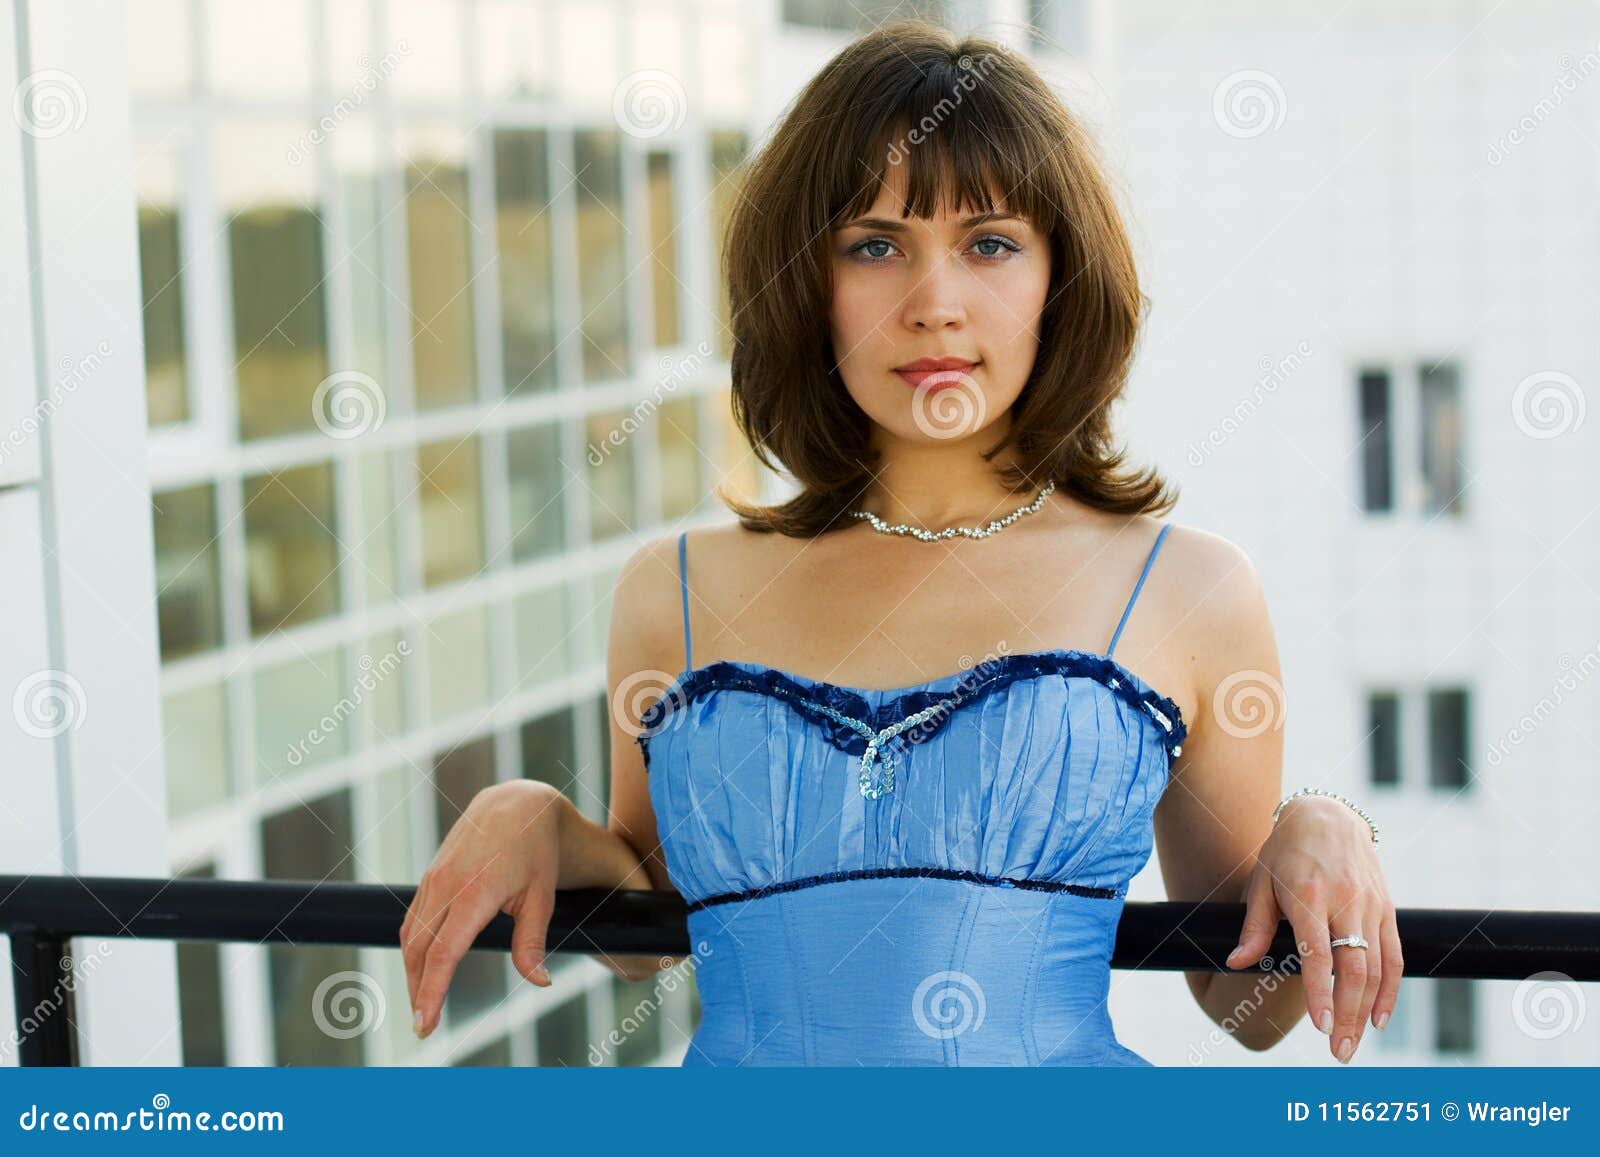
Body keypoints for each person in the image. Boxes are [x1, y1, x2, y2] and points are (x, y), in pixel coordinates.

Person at [401, 20, 1399, 1066]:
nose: (933, 304)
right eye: (874, 244)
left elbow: (1250, 1008)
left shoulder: (1187, 586)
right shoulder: (675, 588)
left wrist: (1323, 823)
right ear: (806, 284)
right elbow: (648, 931)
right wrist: (539, 818)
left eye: (990, 244)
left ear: (1059, 280)